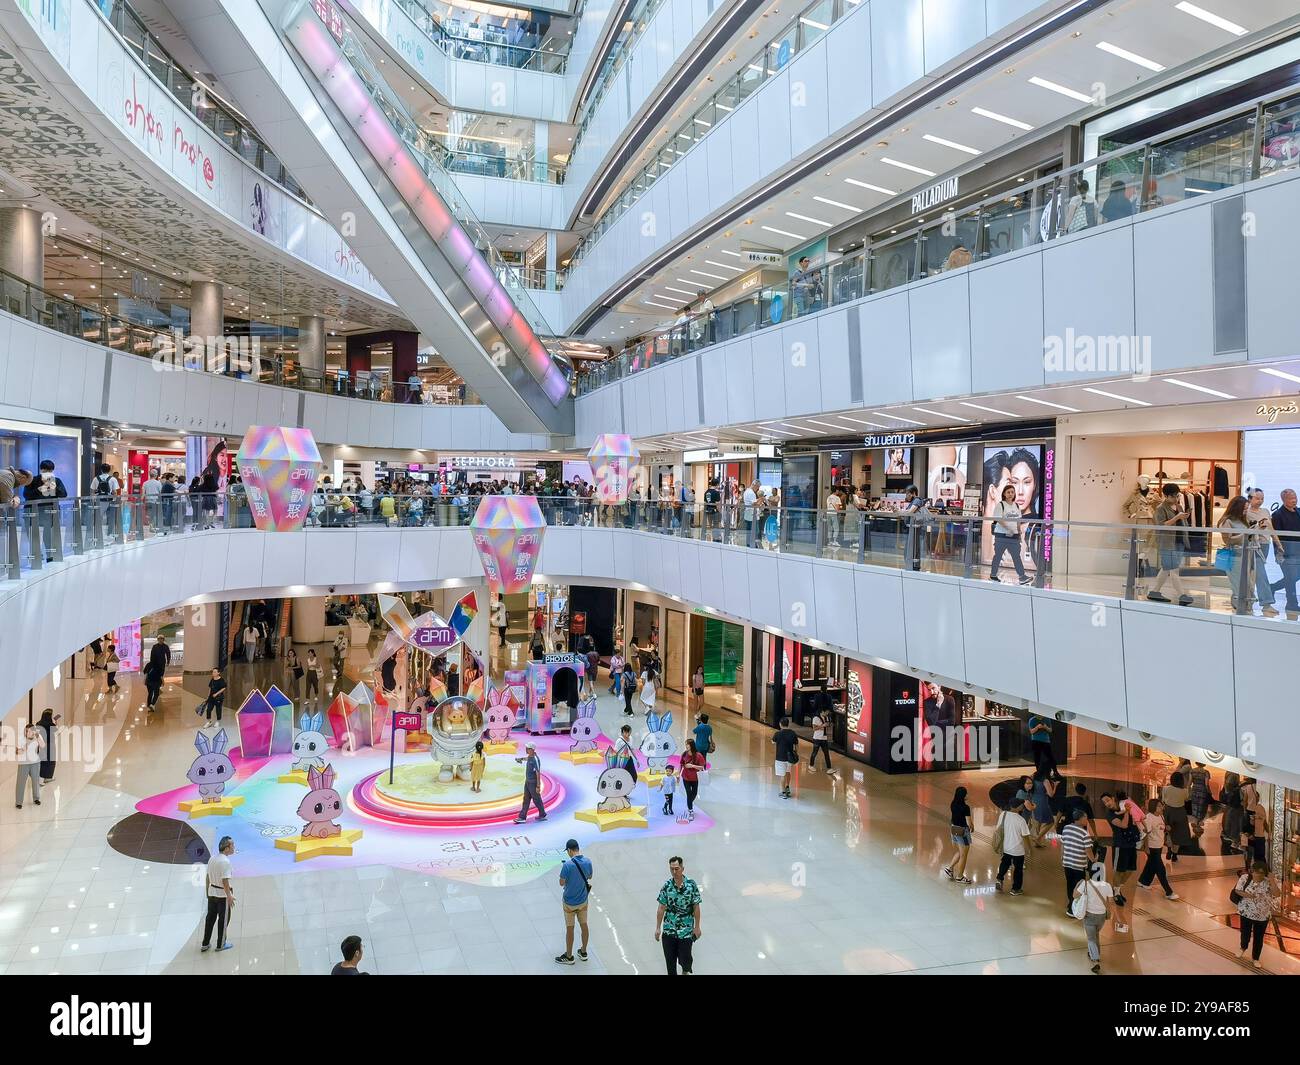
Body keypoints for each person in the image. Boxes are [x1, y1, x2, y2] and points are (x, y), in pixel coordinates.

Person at [655, 856, 702, 975]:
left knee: (686, 960)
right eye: (672, 869)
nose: (674, 872)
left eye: (676, 869)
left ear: (682, 868)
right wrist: (657, 928)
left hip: (686, 931)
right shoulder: (667, 886)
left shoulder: (691, 885)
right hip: (669, 930)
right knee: (670, 964)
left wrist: (697, 927)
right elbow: (661, 908)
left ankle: (685, 971)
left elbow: (696, 907)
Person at [1148, 482, 1194, 605]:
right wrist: (1176, 518)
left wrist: (1183, 517)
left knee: (1167, 568)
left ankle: (1155, 591)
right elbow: (1161, 525)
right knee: (1173, 569)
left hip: (1179, 541)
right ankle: (1181, 595)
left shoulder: (1179, 507)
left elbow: (1181, 522)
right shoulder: (1160, 508)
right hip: (1167, 543)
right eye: (1173, 496)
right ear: (1166, 496)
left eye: (1177, 496)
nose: (1176, 498)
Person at [1101, 792, 1138, 933]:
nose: (1107, 803)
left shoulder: (1123, 806)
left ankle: (1117, 888)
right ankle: (1116, 892)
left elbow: (1136, 816)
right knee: (1119, 870)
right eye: (1104, 803)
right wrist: (1127, 812)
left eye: (1108, 800)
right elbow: (1123, 825)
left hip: (1131, 844)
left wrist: (1129, 809)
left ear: (1113, 799)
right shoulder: (1109, 815)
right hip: (1120, 845)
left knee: (1130, 870)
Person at [1235, 861, 1279, 968]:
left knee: (1258, 938)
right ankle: (1243, 947)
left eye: (1261, 873)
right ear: (1252, 871)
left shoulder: (1269, 882)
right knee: (1245, 933)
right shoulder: (1245, 878)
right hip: (1246, 912)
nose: (1258, 875)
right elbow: (1237, 890)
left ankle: (1255, 958)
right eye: (1256, 872)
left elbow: (1277, 893)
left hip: (1262, 915)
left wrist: (1272, 880)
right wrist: (1248, 895)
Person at [556, 838, 593, 965]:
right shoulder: (588, 862)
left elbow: (561, 883)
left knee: (570, 929)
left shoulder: (567, 865)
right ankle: (583, 952)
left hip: (569, 903)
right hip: (583, 900)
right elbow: (589, 876)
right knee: (584, 925)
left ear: (570, 850)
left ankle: (569, 956)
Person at [1075, 862, 1115, 974]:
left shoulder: (1086, 884)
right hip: (1102, 917)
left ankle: (1095, 961)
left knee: (1091, 938)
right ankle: (1094, 952)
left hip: (1089, 916)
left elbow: (1075, 896)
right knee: (1096, 934)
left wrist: (1078, 885)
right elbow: (1111, 902)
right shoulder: (1107, 885)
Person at [24, 459, 67, 561]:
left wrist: (53, 486)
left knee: (48, 534)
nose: (47, 473)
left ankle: (49, 555)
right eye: (45, 470)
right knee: (33, 534)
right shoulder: (33, 480)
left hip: (49, 512)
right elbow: (26, 495)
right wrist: (42, 488)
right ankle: (36, 555)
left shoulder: (56, 481)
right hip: (33, 511)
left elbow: (64, 494)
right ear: (41, 469)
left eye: (50, 471)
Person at [1136, 798, 1179, 899]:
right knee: (1160, 868)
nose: (1162, 808)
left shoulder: (1161, 816)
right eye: (1159, 806)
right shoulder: (1149, 818)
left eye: (1161, 806)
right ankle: (1169, 892)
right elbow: (1146, 833)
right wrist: (1146, 847)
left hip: (1158, 846)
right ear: (1153, 807)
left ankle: (1143, 881)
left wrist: (1166, 828)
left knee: (1151, 865)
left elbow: (1161, 828)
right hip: (1151, 847)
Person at [989, 483, 1030, 584]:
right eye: (1008, 492)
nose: (1010, 494)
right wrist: (1008, 529)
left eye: (1012, 492)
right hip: (1001, 536)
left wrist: (1018, 532)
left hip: (1014, 536)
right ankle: (993, 575)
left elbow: (1018, 520)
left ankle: (1022, 576)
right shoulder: (1001, 505)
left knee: (1016, 556)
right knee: (998, 555)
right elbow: (998, 519)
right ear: (1004, 494)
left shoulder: (1016, 505)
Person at [201, 836, 236, 953]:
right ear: (226, 848)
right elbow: (225, 881)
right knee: (223, 920)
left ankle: (205, 943)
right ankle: (221, 944)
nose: (233, 847)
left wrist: (207, 892)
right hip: (222, 896)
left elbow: (207, 877)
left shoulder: (212, 858)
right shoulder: (225, 862)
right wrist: (229, 896)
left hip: (211, 892)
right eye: (232, 845)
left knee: (210, 919)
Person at [1269, 488, 1300, 616]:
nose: (1294, 500)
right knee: (1290, 578)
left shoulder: (1299, 511)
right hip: (1286, 552)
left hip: (1298, 551)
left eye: (1295, 497)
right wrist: (1279, 553)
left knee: (1293, 577)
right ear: (1283, 500)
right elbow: (1276, 536)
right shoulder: (1278, 515)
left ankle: (1273, 587)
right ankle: (1292, 604)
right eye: (1291, 498)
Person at [1060, 806, 1096, 916]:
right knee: (1078, 887)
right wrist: (1094, 860)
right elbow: (1088, 850)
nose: (1087, 820)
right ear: (1080, 819)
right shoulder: (1085, 834)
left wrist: (1062, 857)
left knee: (1070, 885)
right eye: (1085, 818)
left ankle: (1070, 904)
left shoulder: (1066, 828)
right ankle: (1074, 909)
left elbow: (1063, 844)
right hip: (1078, 865)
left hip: (1067, 863)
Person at [1217, 495, 1252, 609]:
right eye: (1244, 508)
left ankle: (1242, 605)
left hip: (1245, 555)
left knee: (1246, 584)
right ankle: (1240, 607)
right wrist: (1243, 535)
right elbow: (1227, 540)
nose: (1246, 511)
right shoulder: (1227, 521)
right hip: (1234, 556)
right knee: (1237, 583)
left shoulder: (1243, 520)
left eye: (1247, 508)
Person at [993, 797, 1031, 894]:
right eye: (1022, 805)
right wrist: (1029, 849)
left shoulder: (1003, 814)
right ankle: (1016, 889)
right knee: (1018, 869)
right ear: (1018, 807)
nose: (1023, 807)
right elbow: (1025, 836)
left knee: (1005, 863)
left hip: (1006, 847)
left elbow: (998, 828)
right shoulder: (1021, 820)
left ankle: (999, 878)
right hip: (1018, 850)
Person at [944, 785, 975, 885]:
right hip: (963, 832)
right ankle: (960, 876)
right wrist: (972, 826)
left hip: (954, 829)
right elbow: (969, 822)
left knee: (960, 851)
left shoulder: (953, 804)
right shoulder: (965, 807)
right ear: (964, 795)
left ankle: (950, 868)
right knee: (964, 855)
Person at [13, 720, 46, 808]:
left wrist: (38, 737)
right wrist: (23, 748)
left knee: (35, 781)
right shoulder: (21, 739)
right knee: (21, 783)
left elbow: (43, 746)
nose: (28, 733)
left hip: (35, 763)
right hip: (23, 764)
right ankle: (19, 802)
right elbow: (16, 752)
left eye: (30, 731)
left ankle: (36, 799)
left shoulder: (37, 737)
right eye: (26, 731)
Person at [514, 742, 547, 823]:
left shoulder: (536, 759)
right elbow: (527, 758)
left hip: (533, 782)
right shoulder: (530, 756)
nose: (526, 749)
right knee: (526, 799)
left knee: (536, 799)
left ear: (532, 749)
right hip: (528, 781)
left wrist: (538, 786)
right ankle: (522, 817)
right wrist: (521, 759)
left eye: (528, 748)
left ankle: (542, 814)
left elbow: (538, 772)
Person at [1161, 771, 1190, 863]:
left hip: (1168, 812)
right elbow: (1186, 799)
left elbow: (1163, 800)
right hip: (1180, 813)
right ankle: (1175, 855)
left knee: (1169, 832)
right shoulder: (1185, 791)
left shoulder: (1165, 789)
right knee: (1178, 834)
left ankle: (1169, 849)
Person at [772, 716, 799, 799]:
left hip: (780, 757)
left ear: (780, 724)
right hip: (790, 757)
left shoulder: (778, 733)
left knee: (782, 775)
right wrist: (795, 753)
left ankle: (783, 792)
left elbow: (773, 741)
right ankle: (787, 787)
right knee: (788, 772)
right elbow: (796, 745)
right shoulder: (792, 733)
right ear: (788, 724)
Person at [144, 635, 171, 711]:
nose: (160, 640)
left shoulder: (165, 646)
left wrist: (168, 661)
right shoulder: (155, 646)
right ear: (158, 639)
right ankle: (150, 704)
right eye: (159, 639)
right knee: (152, 690)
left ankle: (157, 688)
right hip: (155, 665)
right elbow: (152, 655)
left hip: (162, 664)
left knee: (160, 675)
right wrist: (151, 663)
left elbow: (168, 654)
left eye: (162, 639)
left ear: (163, 639)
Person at [1186, 762, 1212, 837]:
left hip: (1194, 791)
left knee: (1194, 806)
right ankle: (1198, 818)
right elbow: (1206, 784)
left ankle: (1197, 818)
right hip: (1202, 792)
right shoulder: (1206, 772)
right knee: (1201, 808)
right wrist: (1209, 792)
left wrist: (1189, 793)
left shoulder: (1192, 771)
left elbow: (1189, 784)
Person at [37, 709, 58, 784]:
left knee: (43, 761)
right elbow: (55, 730)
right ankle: (47, 778)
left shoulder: (38, 723)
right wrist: (55, 722)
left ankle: (41, 779)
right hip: (50, 745)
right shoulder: (50, 724)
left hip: (42, 745)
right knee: (50, 761)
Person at [808, 706, 832, 772]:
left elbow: (827, 726)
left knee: (826, 753)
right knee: (814, 753)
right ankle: (811, 765)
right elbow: (814, 729)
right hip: (817, 738)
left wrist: (828, 725)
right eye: (826, 712)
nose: (827, 713)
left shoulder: (826, 717)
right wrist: (822, 726)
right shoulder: (816, 718)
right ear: (822, 712)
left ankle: (829, 768)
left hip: (824, 738)